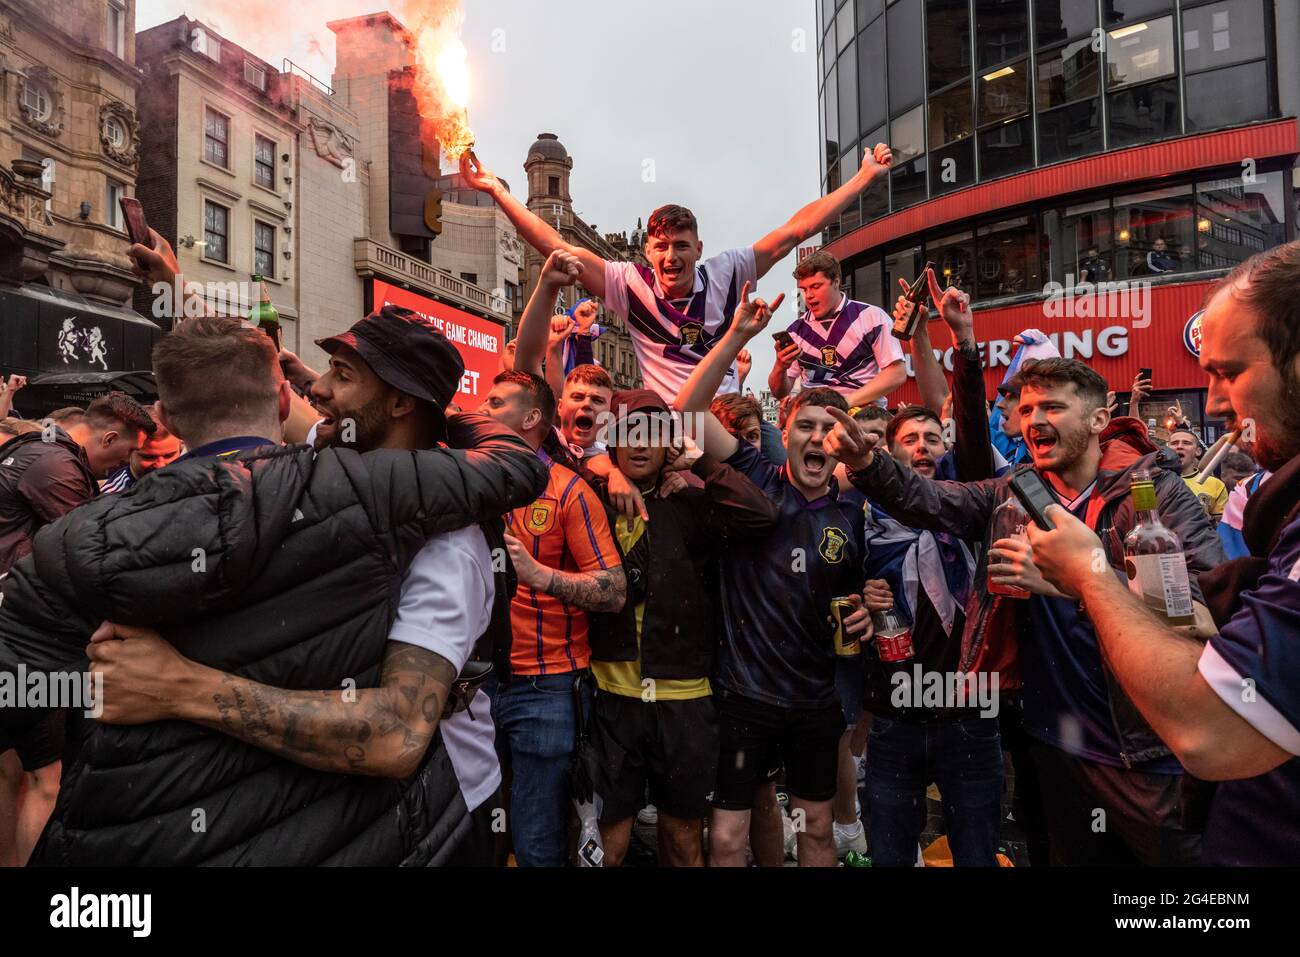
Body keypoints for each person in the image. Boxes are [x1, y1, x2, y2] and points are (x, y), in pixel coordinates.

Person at [0, 311, 550, 865]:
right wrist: (183, 301)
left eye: (342, 374)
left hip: (431, 815)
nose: (320, 387)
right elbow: (230, 394)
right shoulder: (331, 469)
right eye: (312, 379)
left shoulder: (443, 537)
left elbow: (394, 735)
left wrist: (182, 687)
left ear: (402, 403)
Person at [827, 357, 1224, 866]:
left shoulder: (1153, 494)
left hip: (1144, 751)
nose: (1035, 419)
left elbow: (1203, 615)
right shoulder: (1017, 491)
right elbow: (928, 499)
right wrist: (868, 465)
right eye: (1029, 407)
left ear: (1099, 419)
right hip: (1053, 746)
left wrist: (1076, 582)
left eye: (1054, 406)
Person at [1028, 241, 1300, 865]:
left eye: (1230, 373)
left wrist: (1091, 574)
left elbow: (1212, 731)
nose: (1213, 404)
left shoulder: (1153, 489)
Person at [674, 282, 868, 867]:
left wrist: (866, 610)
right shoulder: (754, 474)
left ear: (842, 443)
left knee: (816, 833)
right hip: (743, 699)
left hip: (815, 701)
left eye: (828, 430)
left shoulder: (850, 516)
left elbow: (855, 600)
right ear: (787, 432)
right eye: (805, 425)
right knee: (728, 839)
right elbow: (685, 411)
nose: (816, 438)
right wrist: (737, 334)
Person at [461, 142, 893, 401]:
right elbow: (553, 244)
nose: (672, 257)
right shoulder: (628, 284)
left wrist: (862, 179)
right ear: (648, 251)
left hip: (728, 416)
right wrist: (497, 190)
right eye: (662, 247)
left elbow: (796, 231)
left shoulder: (728, 273)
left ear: (699, 249)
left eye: (682, 246)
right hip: (667, 423)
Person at [585, 389, 776, 866]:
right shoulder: (590, 497)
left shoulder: (691, 499)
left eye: (653, 431)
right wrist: (604, 472)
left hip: (685, 700)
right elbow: (551, 463)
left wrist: (702, 465)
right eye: (628, 431)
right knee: (608, 843)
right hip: (611, 697)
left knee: (682, 838)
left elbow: (761, 514)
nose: (641, 443)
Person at [478, 365, 627, 867]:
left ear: (533, 418)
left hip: (546, 687)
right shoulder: (467, 478)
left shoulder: (567, 490)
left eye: (497, 404)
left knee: (537, 834)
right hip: (473, 684)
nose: (483, 409)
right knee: (479, 826)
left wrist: (540, 575)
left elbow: (613, 590)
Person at [768, 251, 906, 407]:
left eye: (815, 286)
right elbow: (779, 392)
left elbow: (896, 373)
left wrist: (844, 403)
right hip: (815, 418)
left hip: (863, 417)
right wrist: (780, 366)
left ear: (836, 281)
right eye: (804, 289)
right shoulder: (796, 330)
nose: (809, 295)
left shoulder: (872, 317)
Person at [100, 413, 184, 493]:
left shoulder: (192, 480)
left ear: (181, 446)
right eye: (149, 457)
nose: (161, 465)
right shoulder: (110, 498)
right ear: (128, 453)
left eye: (169, 456)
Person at [1168, 428, 1228, 522]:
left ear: (1198, 451)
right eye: (1174, 443)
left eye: (1186, 443)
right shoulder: (1156, 481)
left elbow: (1222, 526)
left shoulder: (1215, 485)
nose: (1179, 446)